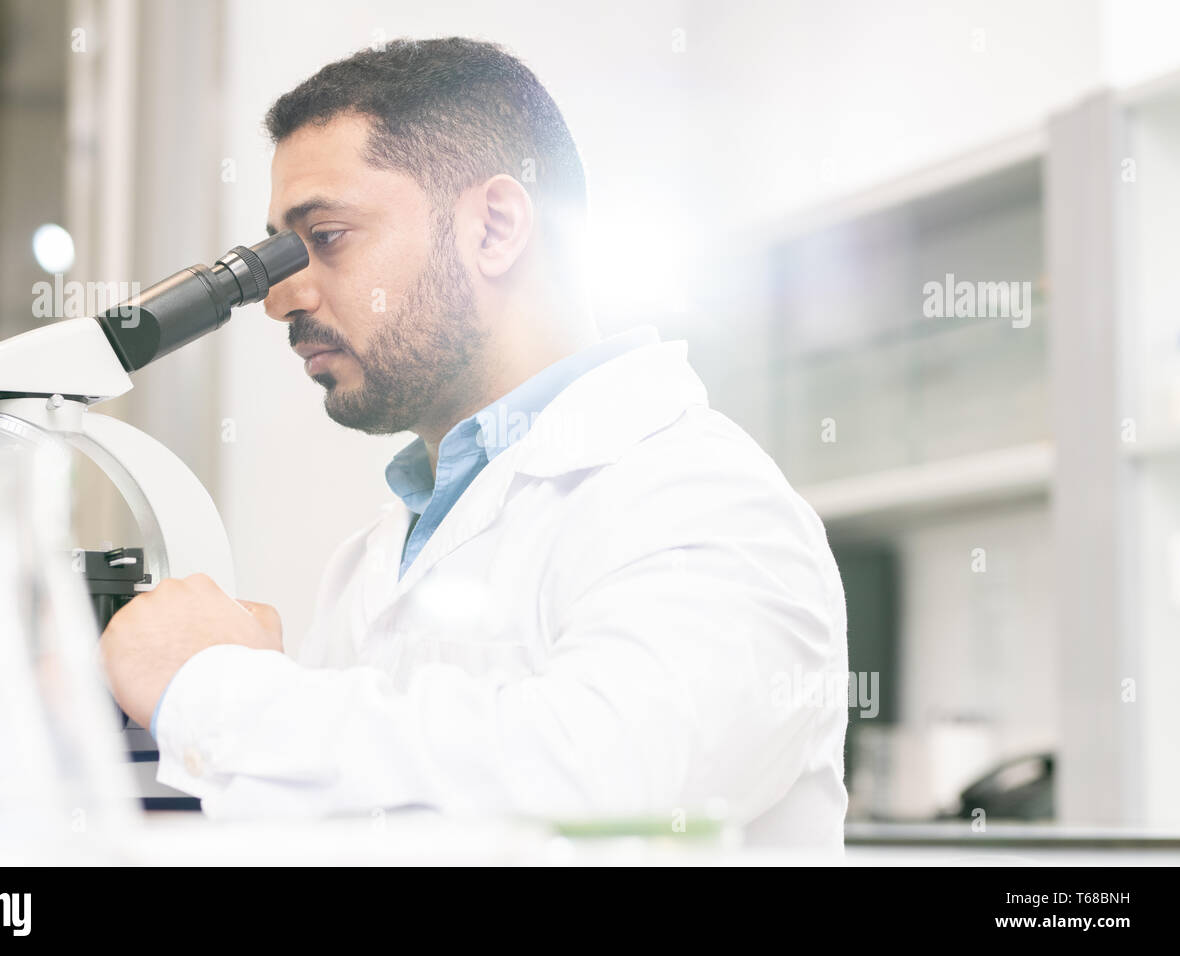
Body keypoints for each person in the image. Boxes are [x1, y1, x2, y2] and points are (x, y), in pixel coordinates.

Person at [100, 37, 850, 847]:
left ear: (494, 226)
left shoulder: (702, 497)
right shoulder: (383, 550)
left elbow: (607, 782)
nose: (281, 298)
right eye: (278, 254)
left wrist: (215, 687)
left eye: (327, 236)